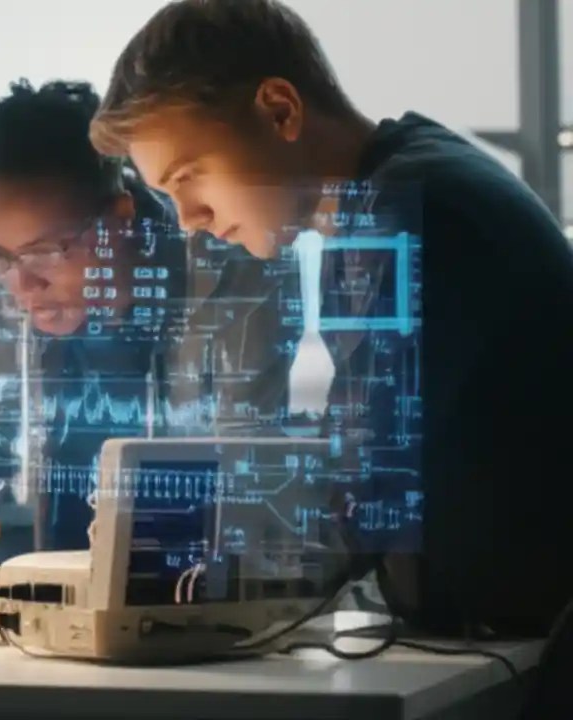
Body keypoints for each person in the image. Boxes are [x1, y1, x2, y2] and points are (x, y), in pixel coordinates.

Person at [89, 0, 573, 636]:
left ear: (280, 110)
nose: (187, 219)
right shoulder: (384, 200)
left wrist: (182, 548)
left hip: (529, 649)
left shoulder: (406, 214)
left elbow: (363, 493)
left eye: (189, 175)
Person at [0, 79, 288, 566]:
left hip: (191, 573)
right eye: (0, 256)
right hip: (36, 572)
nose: (22, 285)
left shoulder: (228, 264)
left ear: (119, 219)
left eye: (46, 252)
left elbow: (250, 463)